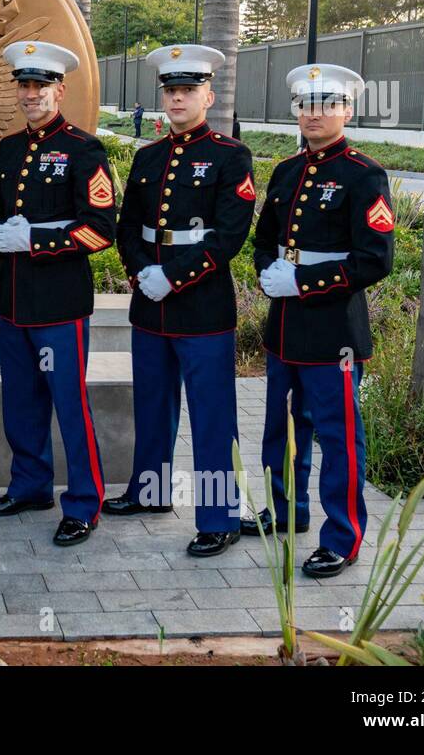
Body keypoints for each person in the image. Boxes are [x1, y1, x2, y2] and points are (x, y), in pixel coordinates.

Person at [105, 44, 257, 558]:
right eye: (171, 90)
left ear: (208, 96)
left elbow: (229, 236)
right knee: (152, 406)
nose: (177, 98)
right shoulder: (148, 156)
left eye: (188, 90)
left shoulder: (230, 156)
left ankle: (220, 517)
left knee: (212, 417)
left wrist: (173, 277)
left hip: (201, 305)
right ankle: (150, 492)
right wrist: (139, 272)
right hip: (150, 302)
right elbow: (127, 225)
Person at [243, 64, 394, 578]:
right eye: (306, 104)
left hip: (335, 335)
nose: (314, 113)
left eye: (327, 103)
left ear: (347, 110)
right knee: (281, 432)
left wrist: (304, 282)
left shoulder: (363, 174)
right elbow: (264, 240)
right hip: (284, 328)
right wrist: (269, 273)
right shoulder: (287, 171)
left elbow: (375, 259)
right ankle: (286, 512)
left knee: (338, 438)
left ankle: (344, 538)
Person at [0, 41, 117, 546]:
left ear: (60, 89)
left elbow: (101, 229)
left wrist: (37, 239)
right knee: (20, 402)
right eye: (25, 84)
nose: (32, 93)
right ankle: (30, 485)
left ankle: (84, 502)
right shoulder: (11, 147)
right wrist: (1, 230)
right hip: (14, 298)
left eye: (41, 85)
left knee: (68, 403)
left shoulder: (84, 149)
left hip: (61, 301)